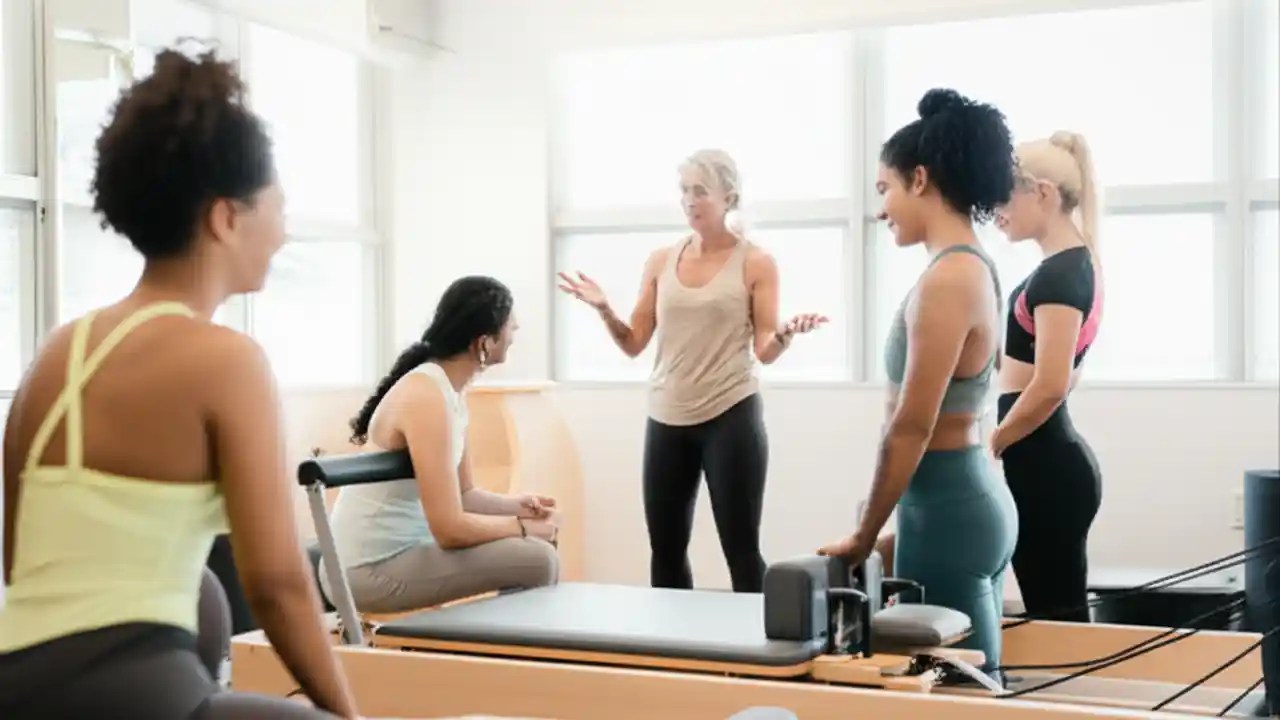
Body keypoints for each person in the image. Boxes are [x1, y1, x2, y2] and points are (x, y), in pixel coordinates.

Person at [0, 47, 358, 718]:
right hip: (136, 692)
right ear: (226, 217)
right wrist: (348, 715)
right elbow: (278, 582)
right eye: (276, 207)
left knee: (203, 597)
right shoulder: (228, 362)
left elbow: (22, 570)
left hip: (19, 685)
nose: (283, 233)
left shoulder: (55, 355)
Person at [557, 149, 826, 593]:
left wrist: (785, 334)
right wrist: (604, 308)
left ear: (728, 197)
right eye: (684, 191)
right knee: (665, 551)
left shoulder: (756, 262)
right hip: (667, 417)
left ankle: (760, 659)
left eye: (700, 191)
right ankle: (673, 653)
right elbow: (633, 343)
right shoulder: (661, 260)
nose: (689, 200)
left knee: (741, 549)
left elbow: (764, 350)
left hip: (731, 413)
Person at [818, 88, 1019, 677]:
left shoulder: (948, 280)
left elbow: (910, 426)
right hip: (957, 499)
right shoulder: (968, 266)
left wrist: (863, 535)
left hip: (950, 509)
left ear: (921, 179)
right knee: (970, 684)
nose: (882, 209)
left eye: (885, 189)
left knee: (958, 694)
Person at [320, 276, 560, 614]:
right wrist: (522, 528)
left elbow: (465, 496)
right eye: (509, 325)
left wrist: (518, 507)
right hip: (364, 571)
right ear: (484, 342)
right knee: (536, 559)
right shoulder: (426, 396)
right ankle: (503, 662)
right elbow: (449, 529)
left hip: (401, 554)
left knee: (535, 551)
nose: (516, 329)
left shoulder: (450, 392)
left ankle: (501, 654)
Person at [991, 131, 1103, 623]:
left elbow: (1053, 383)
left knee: (1059, 622)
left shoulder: (1060, 275)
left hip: (1047, 468)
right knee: (1058, 617)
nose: (997, 211)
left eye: (1003, 196)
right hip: (1047, 463)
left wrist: (991, 443)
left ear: (1042, 193)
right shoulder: (1073, 265)